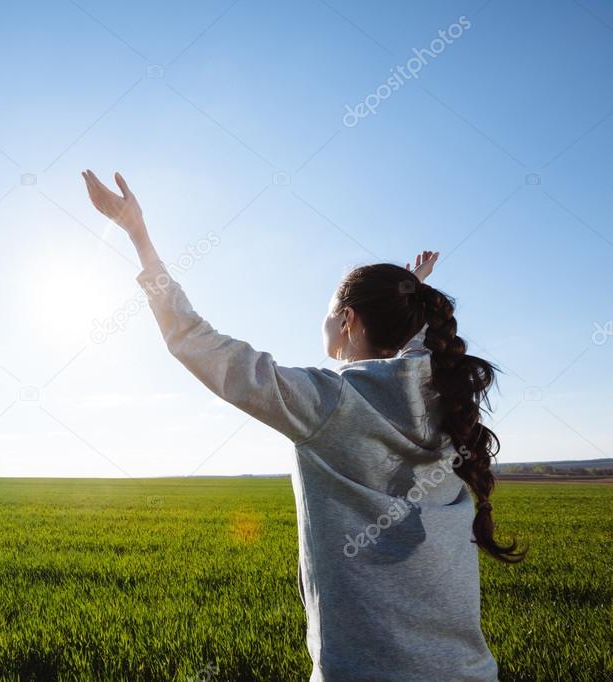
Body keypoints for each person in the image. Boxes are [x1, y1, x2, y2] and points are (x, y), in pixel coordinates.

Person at [82, 170, 524, 682]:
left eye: (329, 311)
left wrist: (137, 233)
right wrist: (411, 293)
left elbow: (197, 341)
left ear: (349, 320)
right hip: (470, 671)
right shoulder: (446, 400)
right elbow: (416, 353)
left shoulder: (328, 402)